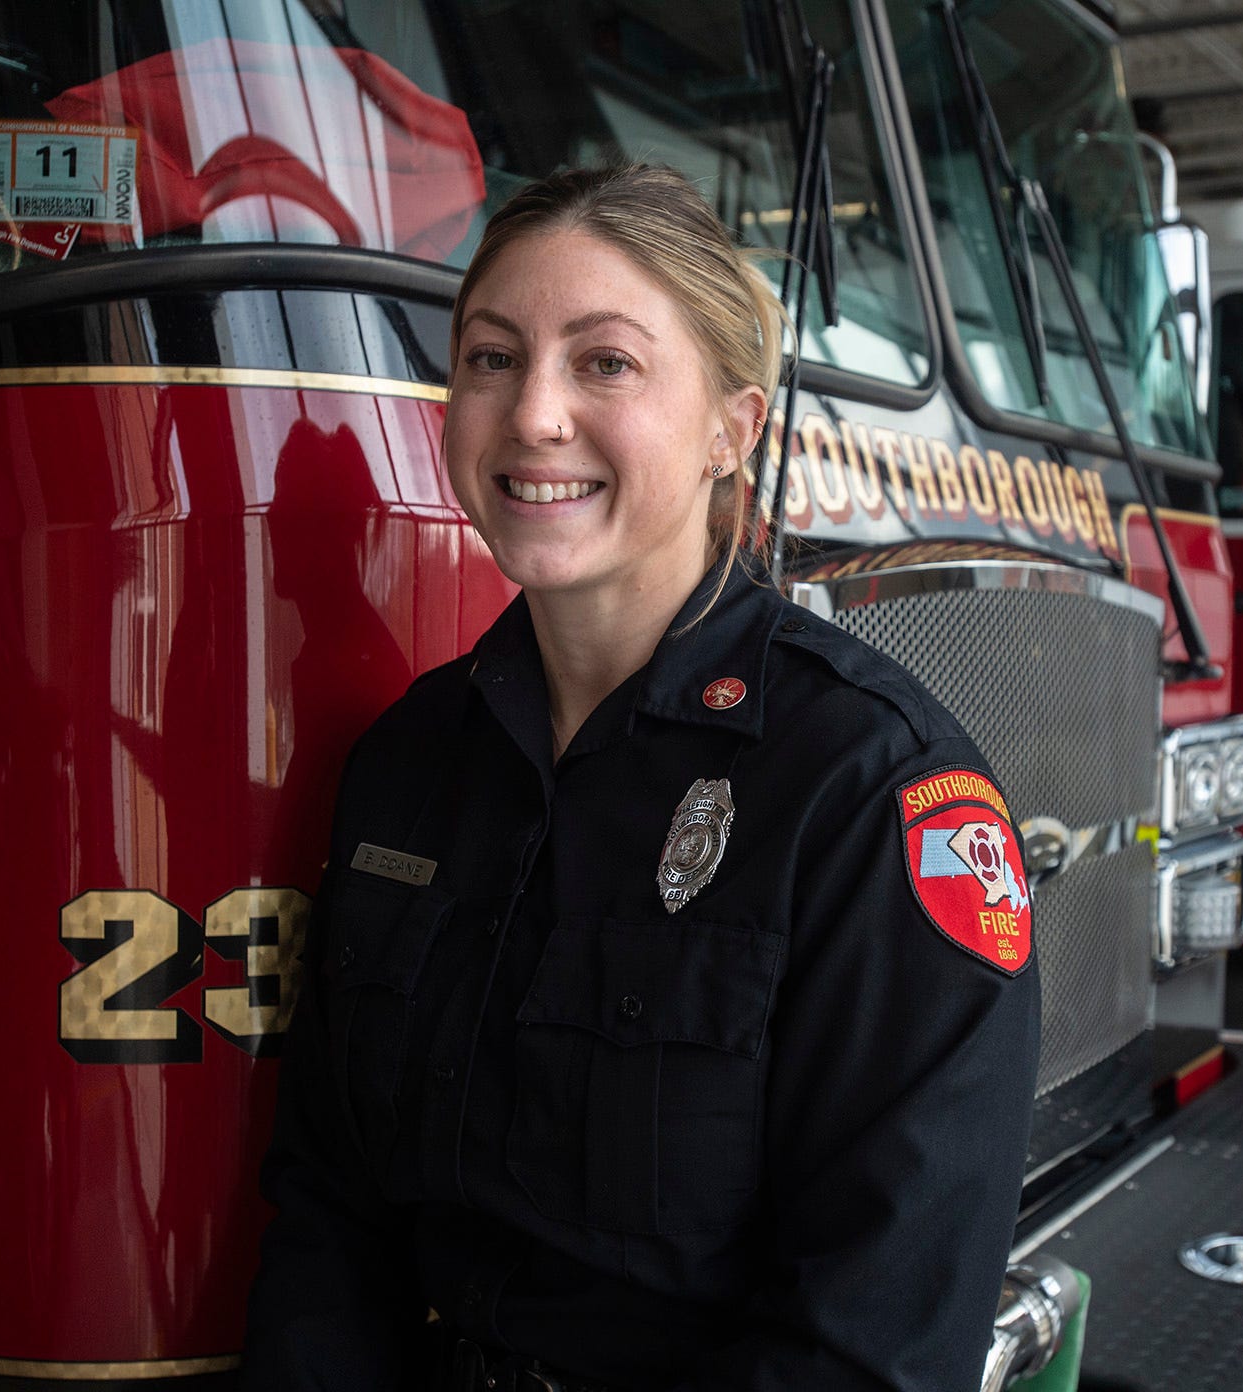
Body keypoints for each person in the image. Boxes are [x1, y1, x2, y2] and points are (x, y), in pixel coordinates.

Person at [241, 164, 1041, 1392]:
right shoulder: (407, 763)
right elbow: (328, 1217)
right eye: (491, 358)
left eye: (604, 363)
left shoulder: (871, 792)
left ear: (734, 429)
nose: (533, 415)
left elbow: (871, 1341)